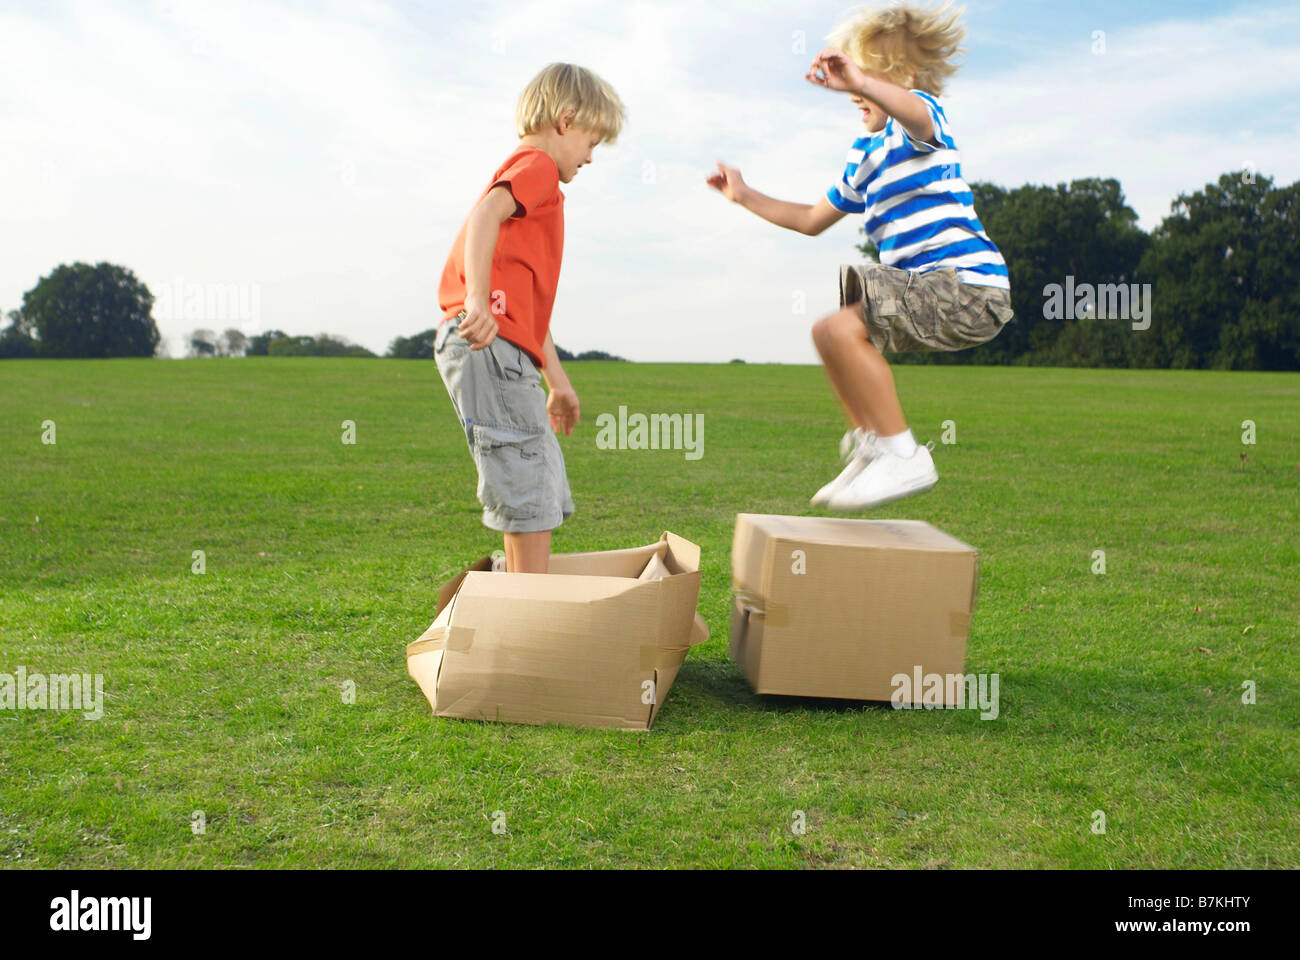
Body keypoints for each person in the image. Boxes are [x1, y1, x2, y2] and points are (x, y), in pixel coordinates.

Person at [708, 2, 1013, 510]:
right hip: (926, 291)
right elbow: (810, 219)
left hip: (968, 288)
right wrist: (744, 195)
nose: (853, 89)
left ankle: (904, 454)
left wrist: (868, 82)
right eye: (849, 77)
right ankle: (874, 446)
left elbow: (912, 110)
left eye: (865, 75)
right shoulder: (865, 154)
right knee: (827, 332)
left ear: (904, 78)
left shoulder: (922, 121)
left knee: (842, 326)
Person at [436, 63, 624, 571]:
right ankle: (523, 601)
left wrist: (557, 382)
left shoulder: (540, 186)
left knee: (536, 474)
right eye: (592, 141)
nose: (590, 156)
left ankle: (513, 583)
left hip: (504, 349)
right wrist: (477, 299)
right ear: (565, 120)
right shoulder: (537, 166)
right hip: (487, 345)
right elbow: (483, 216)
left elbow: (529, 320)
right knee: (526, 479)